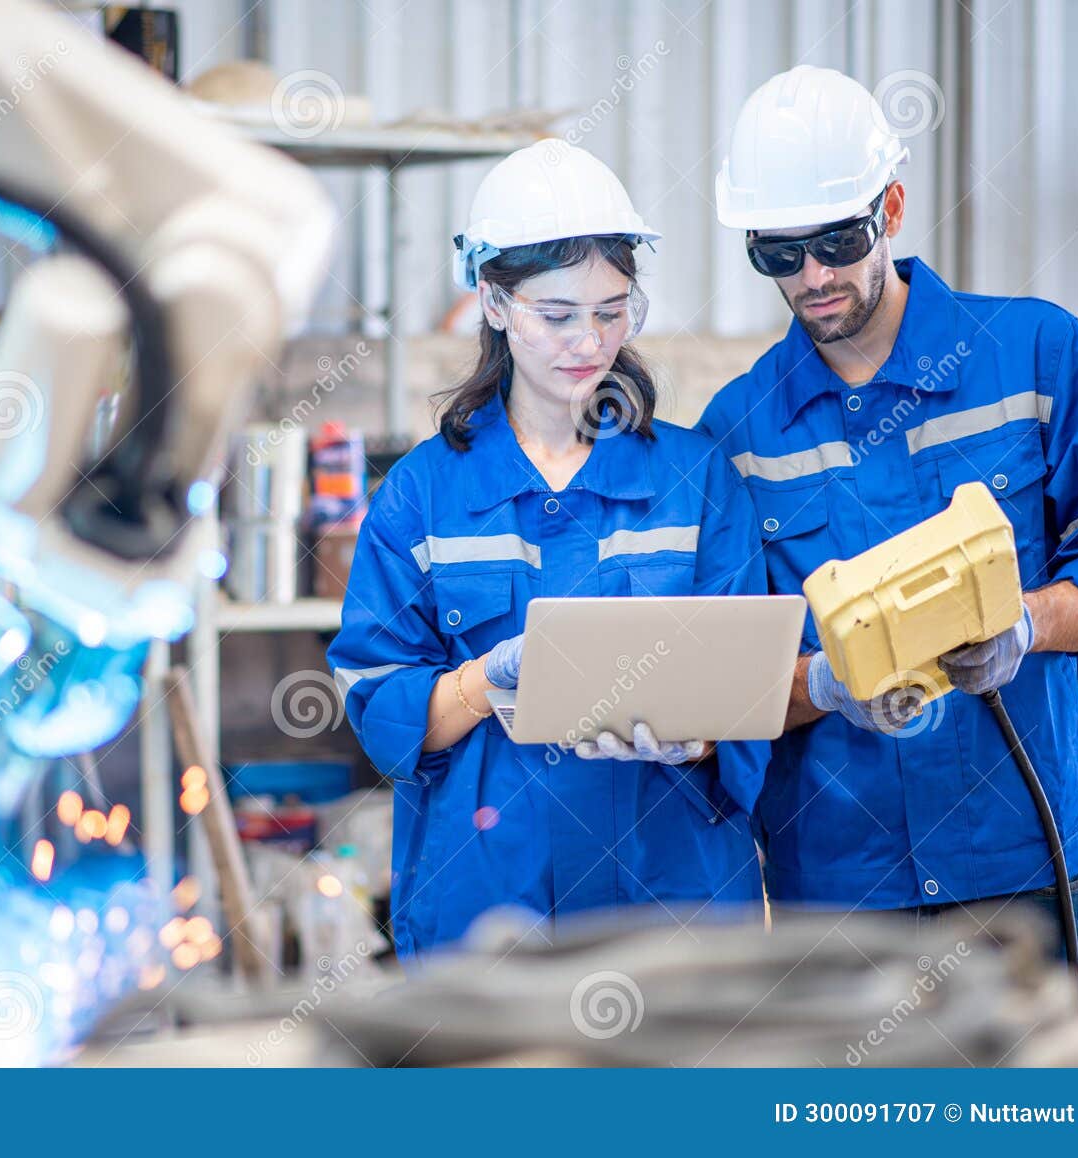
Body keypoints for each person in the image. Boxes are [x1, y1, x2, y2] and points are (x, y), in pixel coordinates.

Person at [697, 67, 1078, 953]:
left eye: (837, 240)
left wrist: (1026, 626)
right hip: (839, 880)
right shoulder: (737, 432)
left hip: (1017, 851)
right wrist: (824, 686)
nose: (811, 277)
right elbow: (727, 672)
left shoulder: (1036, 355)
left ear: (893, 206)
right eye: (777, 254)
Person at [328, 140, 767, 961]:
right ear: (494, 305)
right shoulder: (423, 496)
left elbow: (752, 684)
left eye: (611, 311)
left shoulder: (695, 477)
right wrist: (481, 682)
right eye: (556, 316)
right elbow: (378, 703)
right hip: (489, 902)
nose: (588, 342)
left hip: (672, 903)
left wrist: (699, 735)